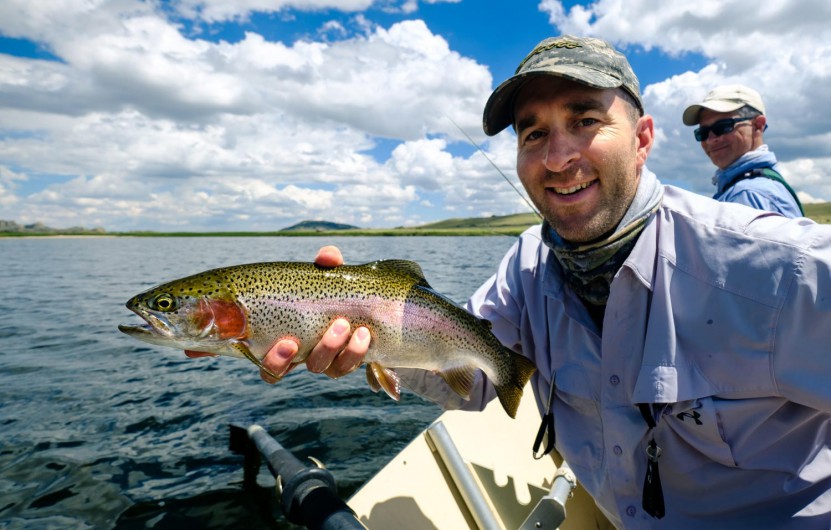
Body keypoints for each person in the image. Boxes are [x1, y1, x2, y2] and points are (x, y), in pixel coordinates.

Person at [190, 36, 831, 528]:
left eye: (585, 120)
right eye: (534, 133)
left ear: (642, 139)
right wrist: (365, 341)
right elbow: (466, 381)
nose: (558, 157)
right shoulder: (526, 267)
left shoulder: (781, 267)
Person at [682, 84, 803, 217]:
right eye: (703, 132)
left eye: (723, 127)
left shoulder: (747, 195)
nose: (711, 140)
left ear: (758, 125)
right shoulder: (763, 185)